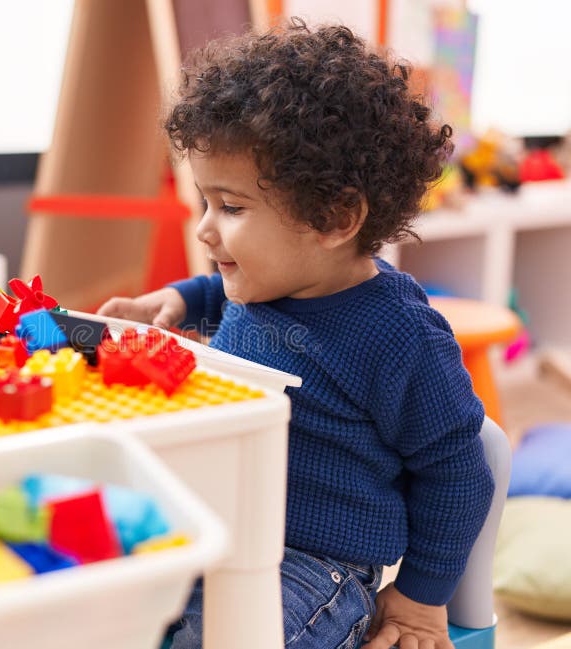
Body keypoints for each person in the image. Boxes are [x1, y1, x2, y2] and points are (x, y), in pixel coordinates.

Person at [98, 20, 494, 649]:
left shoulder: (399, 337)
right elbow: (225, 294)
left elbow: (461, 474)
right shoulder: (267, 278)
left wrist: (421, 601)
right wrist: (175, 300)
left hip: (310, 568)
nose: (205, 230)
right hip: (219, 525)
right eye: (205, 202)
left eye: (230, 208)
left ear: (333, 218)